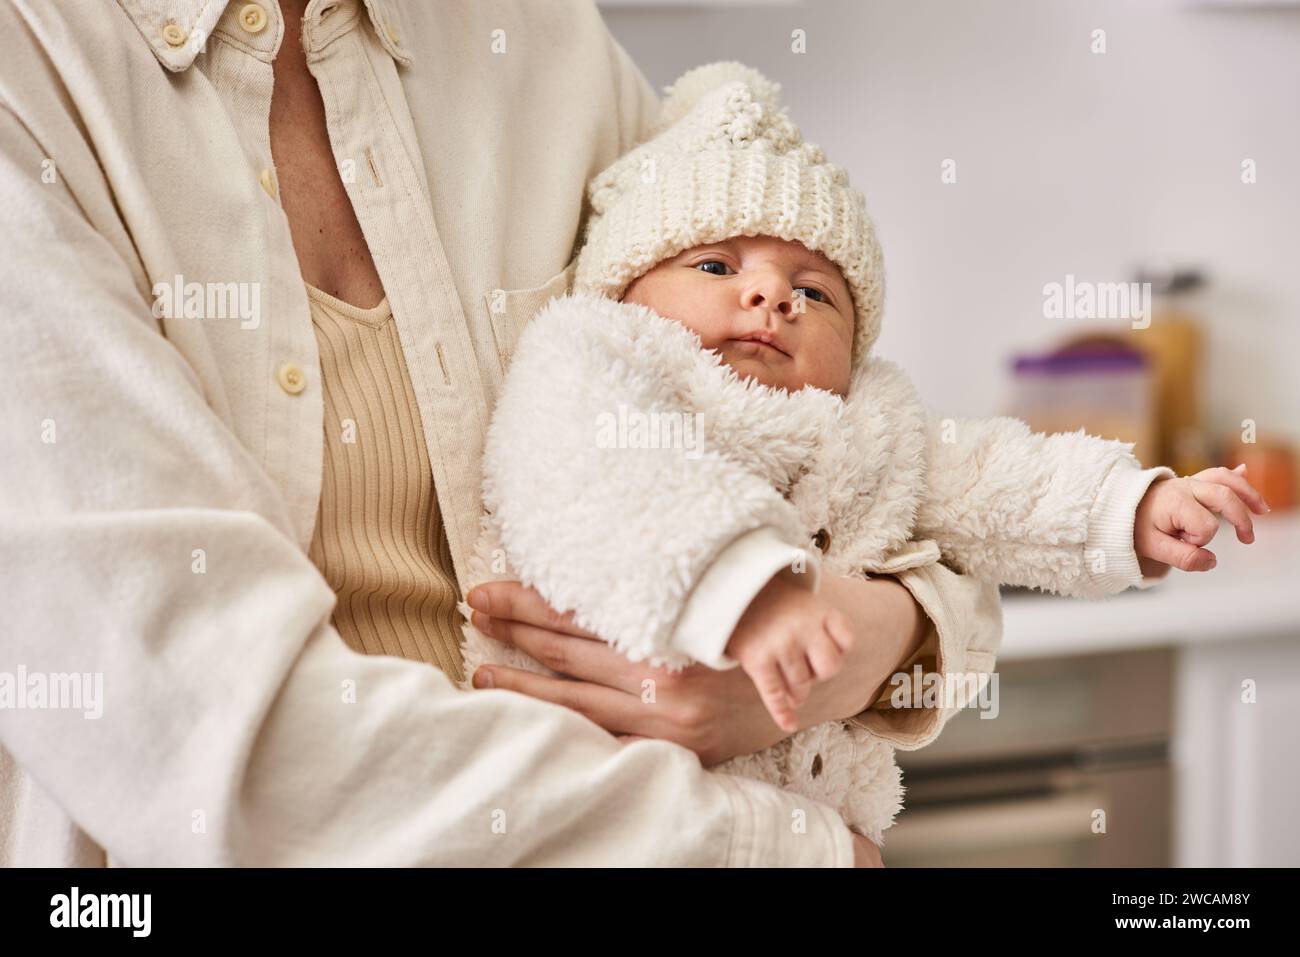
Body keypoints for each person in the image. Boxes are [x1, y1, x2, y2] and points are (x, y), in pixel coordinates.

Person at [0, 0, 998, 866]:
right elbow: (206, 744)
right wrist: (775, 850)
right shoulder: (29, 69)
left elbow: (881, 458)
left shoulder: (534, 36)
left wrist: (885, 639)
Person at [458, 62, 1268, 844]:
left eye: (813, 290)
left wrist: (1129, 508)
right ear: (625, 287)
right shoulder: (597, 357)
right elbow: (595, 476)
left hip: (809, 826)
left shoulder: (868, 419)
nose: (772, 296)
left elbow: (995, 477)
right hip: (612, 805)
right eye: (715, 266)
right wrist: (752, 591)